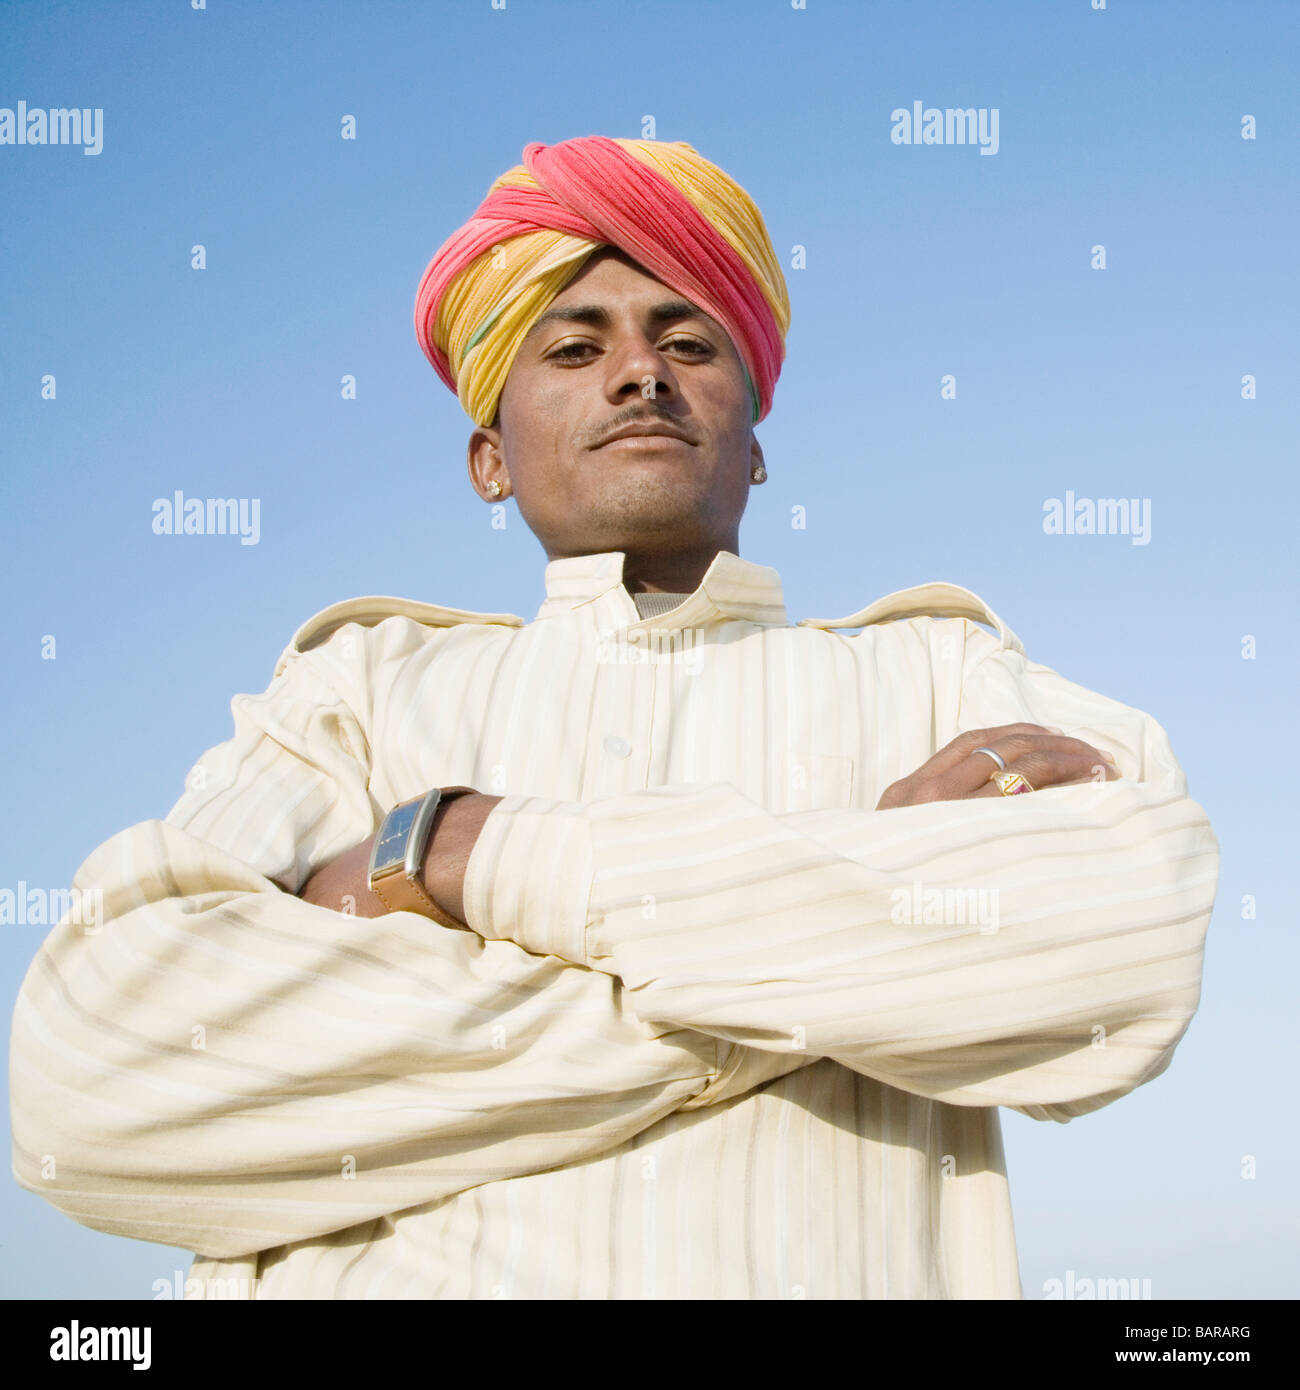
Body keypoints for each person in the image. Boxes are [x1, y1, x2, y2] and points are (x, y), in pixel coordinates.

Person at [10, 135, 1218, 1299]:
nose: (639, 372)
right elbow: (89, 1070)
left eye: (688, 341)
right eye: (574, 348)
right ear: (490, 457)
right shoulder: (360, 689)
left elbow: (1123, 943)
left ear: (755, 449)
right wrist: (843, 934)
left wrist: (462, 854)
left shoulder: (938, 671)